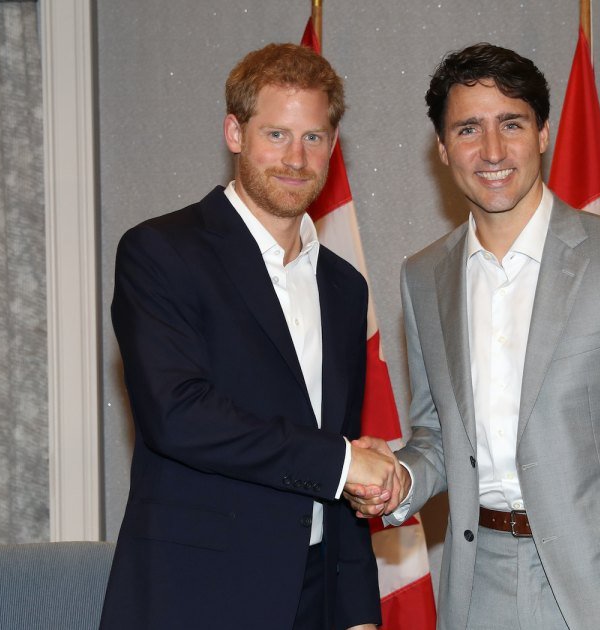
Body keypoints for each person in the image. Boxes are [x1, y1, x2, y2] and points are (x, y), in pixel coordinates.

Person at [346, 43, 600, 630]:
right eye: (469, 129)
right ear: (442, 149)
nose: (492, 151)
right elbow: (440, 436)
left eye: (512, 124)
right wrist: (401, 479)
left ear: (543, 133)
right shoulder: (422, 277)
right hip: (479, 589)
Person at [99, 43, 396, 630]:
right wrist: (341, 462)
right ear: (235, 133)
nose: (296, 157)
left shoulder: (344, 287)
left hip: (319, 597)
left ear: (333, 147)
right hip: (199, 597)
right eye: (276, 134)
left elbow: (339, 450)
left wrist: (359, 610)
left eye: (314, 137)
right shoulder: (161, 252)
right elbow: (178, 415)